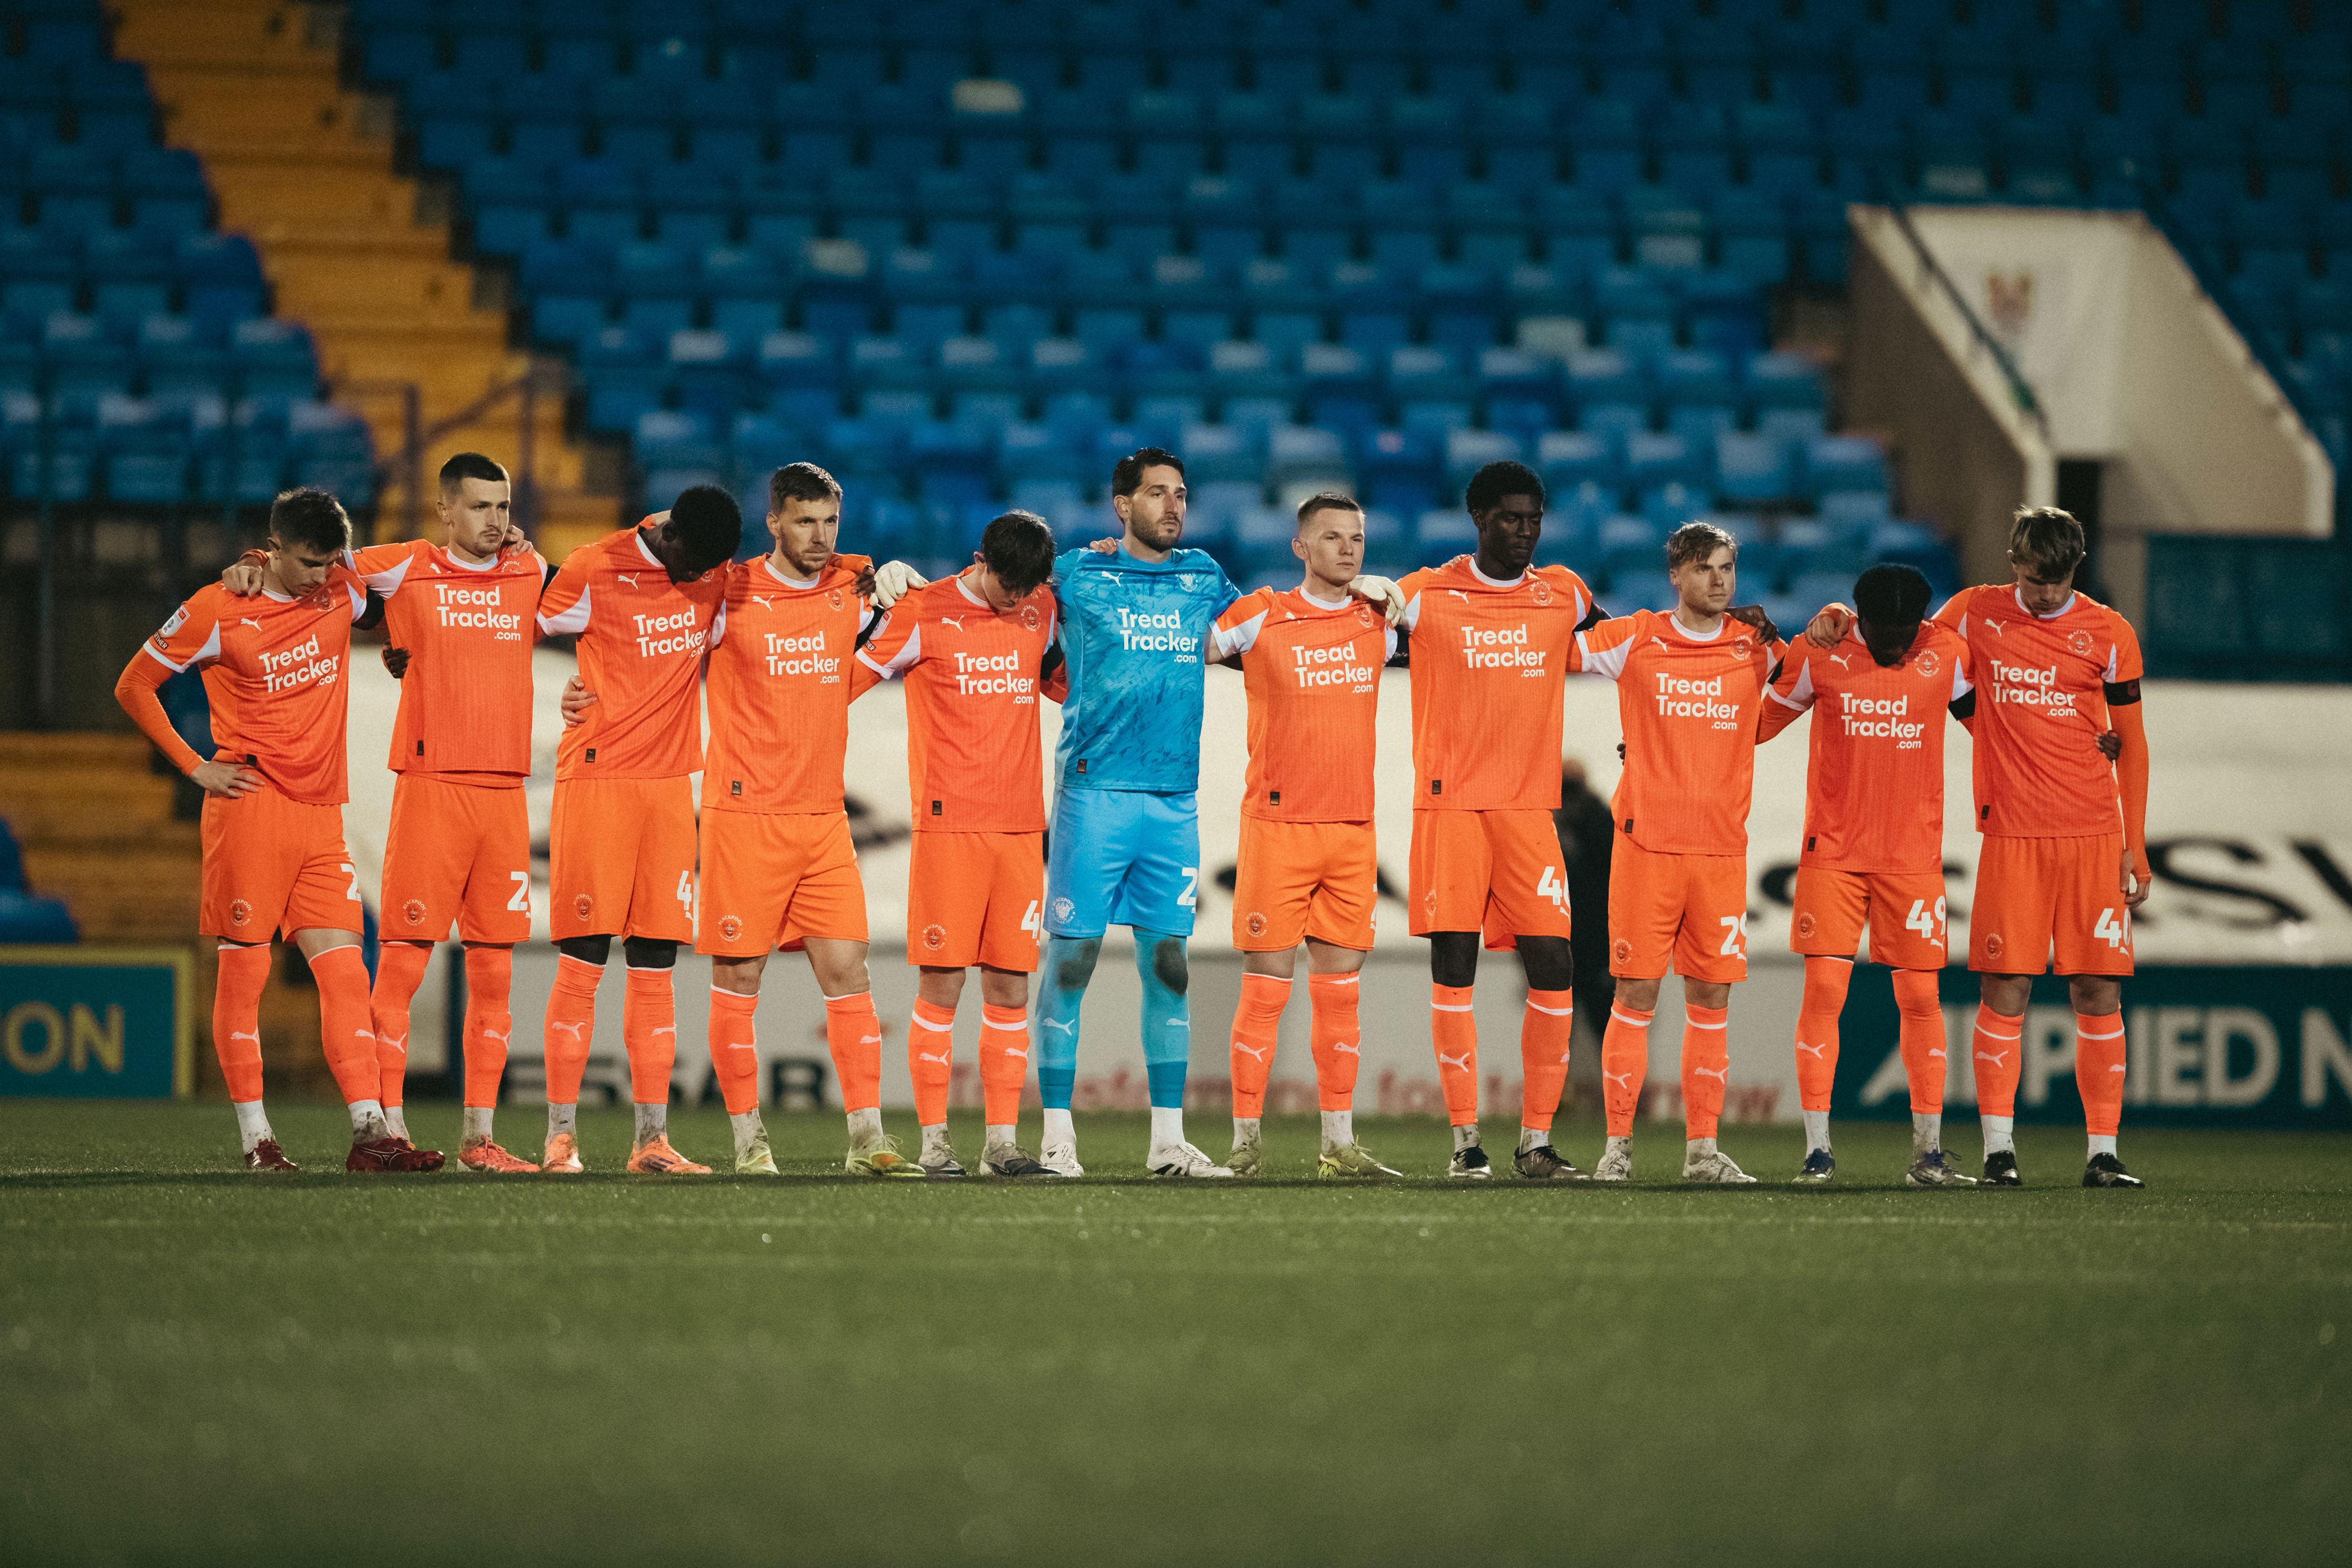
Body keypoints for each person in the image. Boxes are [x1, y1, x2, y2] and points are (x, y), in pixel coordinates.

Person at [1029, 448, 1401, 1179]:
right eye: (1157, 494)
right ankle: (1055, 1138)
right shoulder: (1078, 573)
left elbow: (1275, 635)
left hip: (1174, 802)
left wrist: (1386, 604)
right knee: (1069, 961)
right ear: (1121, 505)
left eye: (1181, 494)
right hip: (1093, 794)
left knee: (1168, 967)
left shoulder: (1205, 579)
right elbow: (1013, 618)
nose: (1173, 506)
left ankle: (1167, 1142)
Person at [1805, 507, 2151, 1188]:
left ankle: (2103, 1153)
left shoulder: (2110, 633)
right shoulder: (1974, 613)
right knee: (2006, 985)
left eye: (2055, 581)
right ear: (2013, 563)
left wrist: (2134, 846)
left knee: (2097, 989)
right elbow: (1898, 628)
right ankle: (2000, 1151)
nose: (2043, 592)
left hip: (2092, 831)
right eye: (2031, 578)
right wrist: (1836, 612)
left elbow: (2133, 745)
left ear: (2075, 569)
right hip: (2012, 833)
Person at [223, 452, 545, 1171]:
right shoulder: (402, 565)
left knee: (495, 975)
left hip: (506, 795)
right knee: (400, 968)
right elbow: (308, 560)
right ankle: (388, 1128)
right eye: (480, 506)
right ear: (445, 511)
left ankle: (480, 1139)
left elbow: (601, 615)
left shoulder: (530, 571)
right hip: (431, 789)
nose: (495, 520)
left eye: (503, 506)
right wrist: (249, 558)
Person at [114, 488, 441, 1172]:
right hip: (250, 807)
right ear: (275, 546)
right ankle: (258, 1140)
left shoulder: (341, 584)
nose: (322, 576)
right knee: (246, 971)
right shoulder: (219, 607)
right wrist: (195, 766)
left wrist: (397, 644)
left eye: (330, 562)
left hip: (323, 815)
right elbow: (134, 685)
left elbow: (399, 590)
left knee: (348, 971)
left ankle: (369, 1132)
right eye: (309, 562)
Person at [646, 462, 918, 1178]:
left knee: (849, 972)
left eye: (831, 520)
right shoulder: (729, 590)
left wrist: (899, 574)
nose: (821, 536)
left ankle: (867, 1139)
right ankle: (749, 1141)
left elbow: (925, 608)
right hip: (744, 816)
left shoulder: (851, 582)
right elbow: (651, 637)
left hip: (824, 818)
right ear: (773, 522)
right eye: (805, 521)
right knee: (739, 980)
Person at [1395, 460, 1597, 1180]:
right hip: (1449, 808)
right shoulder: (1424, 593)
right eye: (1511, 518)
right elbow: (1350, 623)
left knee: (1555, 963)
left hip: (1527, 811)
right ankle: (1466, 1140)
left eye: (1534, 518)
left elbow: (1638, 640)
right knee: (1455, 968)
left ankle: (1535, 1140)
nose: (1525, 531)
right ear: (1478, 520)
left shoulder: (1566, 593)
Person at [532, 487, 741, 1174]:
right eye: (693, 562)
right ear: (670, 534)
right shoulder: (595, 567)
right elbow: (518, 626)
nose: (700, 576)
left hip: (668, 790)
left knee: (657, 963)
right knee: (585, 957)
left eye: (714, 566)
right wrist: (563, 688)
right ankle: (560, 1138)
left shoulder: (714, 573)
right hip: (598, 782)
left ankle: (651, 1140)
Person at [1570, 521, 1784, 1183]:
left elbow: (1828, 667)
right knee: (1634, 992)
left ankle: (1702, 1151)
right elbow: (1552, 651)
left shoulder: (1755, 646)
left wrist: (1829, 618)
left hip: (1720, 853)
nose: (1718, 581)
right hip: (1648, 849)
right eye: (1704, 569)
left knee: (1711, 999)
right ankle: (1616, 1148)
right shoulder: (1635, 637)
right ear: (1676, 574)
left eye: (1726, 568)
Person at [855, 511, 1064, 1179]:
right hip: (950, 829)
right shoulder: (923, 610)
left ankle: (1001, 1142)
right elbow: (843, 678)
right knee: (942, 984)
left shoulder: (1041, 607)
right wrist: (866, 591)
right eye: (1008, 583)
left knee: (1009, 985)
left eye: (1029, 586)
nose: (1016, 597)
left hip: (1020, 828)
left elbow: (1065, 681)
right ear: (979, 559)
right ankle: (935, 1143)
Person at [1758, 563, 1976, 1185]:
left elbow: (1995, 731)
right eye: (1885, 630)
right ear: (1861, 616)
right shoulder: (1821, 651)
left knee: (1921, 997)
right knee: (1825, 994)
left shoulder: (1948, 654)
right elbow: (1751, 725)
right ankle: (1818, 1149)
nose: (1897, 643)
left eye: (1908, 630)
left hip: (1913, 860)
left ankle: (1928, 1153)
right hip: (1834, 855)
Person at [1208, 493, 1401, 1179]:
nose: (1349, 549)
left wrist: (1401, 593)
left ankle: (1338, 1143)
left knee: (1341, 995)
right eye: (1332, 537)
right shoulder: (1261, 613)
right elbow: (1187, 646)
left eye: (1357, 536)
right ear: (1301, 547)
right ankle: (1246, 1141)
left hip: (1352, 832)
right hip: (1278, 829)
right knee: (1265, 989)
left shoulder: (1381, 619)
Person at [1552, 755, 1617, 1061]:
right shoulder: (1548, 824)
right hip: (1563, 940)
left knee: (1605, 1025)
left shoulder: (1601, 822)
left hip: (1592, 942)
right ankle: (1555, 1097)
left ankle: (1621, 1097)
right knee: (1556, 1029)